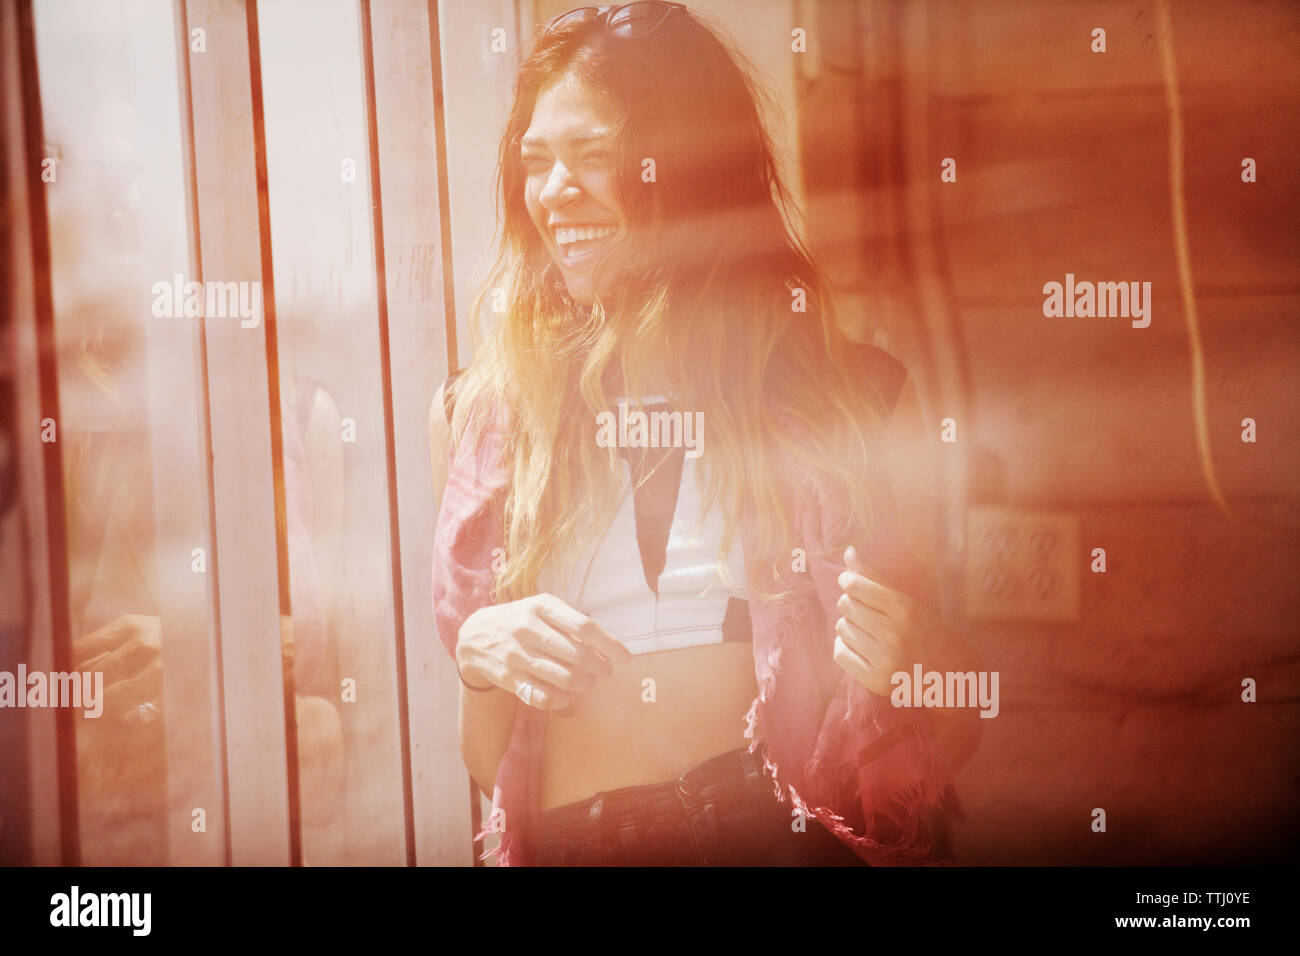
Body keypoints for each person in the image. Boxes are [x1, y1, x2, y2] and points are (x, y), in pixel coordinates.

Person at [430, 1, 981, 866]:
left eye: (594, 155)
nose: (554, 192)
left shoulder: (850, 395)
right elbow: (483, 759)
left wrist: (910, 663)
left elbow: (951, 730)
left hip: (780, 834)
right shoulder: (484, 419)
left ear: (688, 168)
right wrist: (478, 656)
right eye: (536, 162)